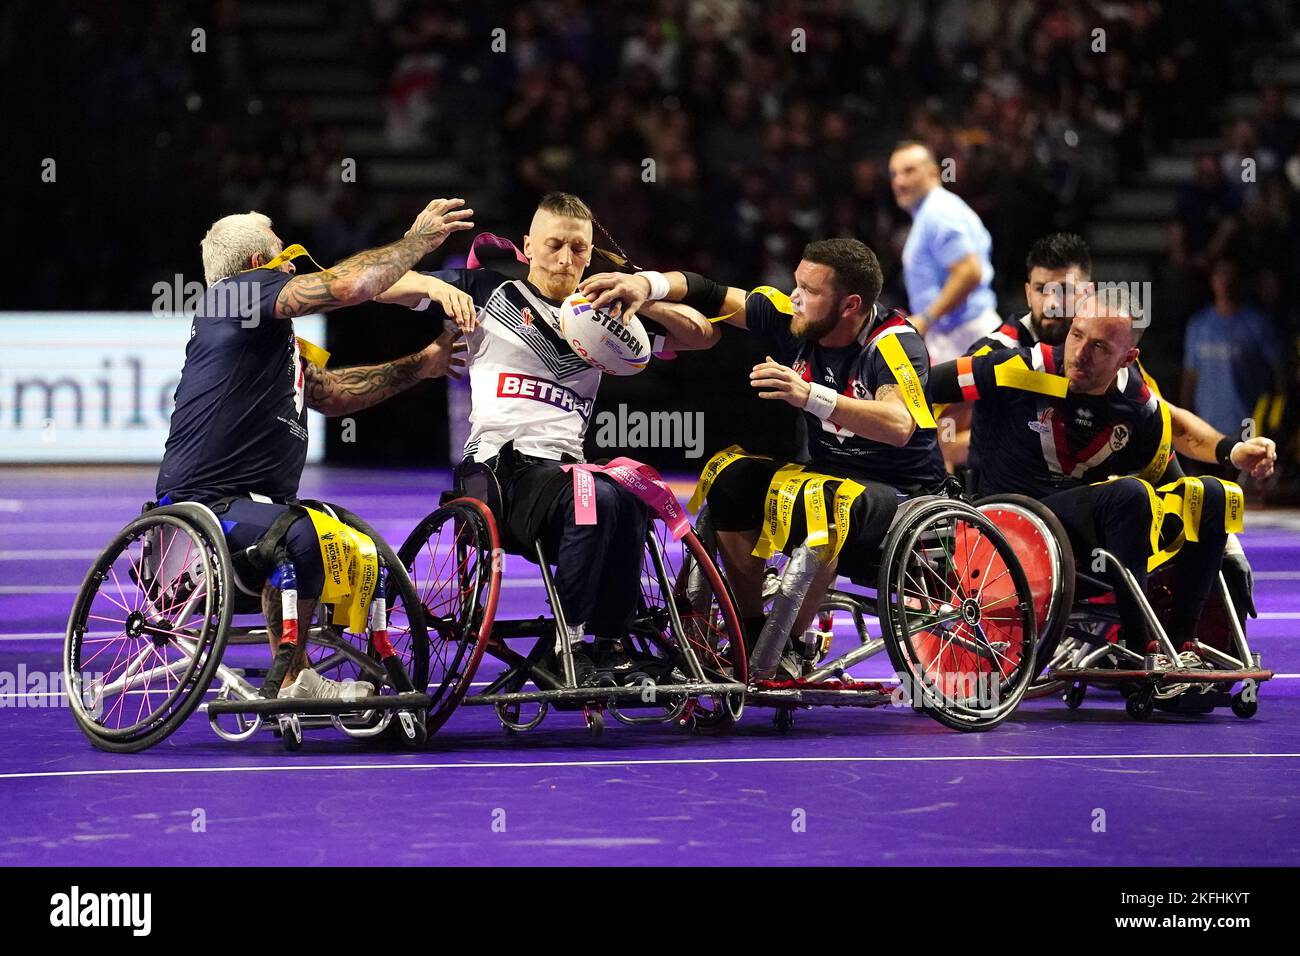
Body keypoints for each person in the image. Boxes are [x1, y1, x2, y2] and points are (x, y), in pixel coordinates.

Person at [381, 192, 715, 686]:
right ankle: (568, 646)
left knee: (630, 495)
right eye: (554, 245)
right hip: (498, 470)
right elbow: (375, 285)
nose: (565, 259)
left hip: (563, 472)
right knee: (595, 493)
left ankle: (610, 644)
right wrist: (430, 278)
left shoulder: (606, 318)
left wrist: (643, 293)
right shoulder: (490, 291)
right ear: (528, 247)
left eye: (578, 249)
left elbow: (702, 334)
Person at [579, 238, 947, 678]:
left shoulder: (893, 344)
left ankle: (788, 647)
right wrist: (643, 285)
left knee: (824, 500)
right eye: (797, 284)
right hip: (827, 476)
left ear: (850, 305)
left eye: (810, 291)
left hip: (903, 498)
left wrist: (811, 395)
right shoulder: (793, 320)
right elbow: (707, 291)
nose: (795, 297)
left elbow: (899, 424)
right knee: (732, 477)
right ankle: (751, 630)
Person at [157, 199, 475, 699]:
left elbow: (333, 393)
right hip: (205, 508)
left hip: (254, 509)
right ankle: (293, 679)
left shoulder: (263, 333)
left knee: (348, 538)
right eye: (284, 253)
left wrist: (425, 364)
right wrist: (417, 242)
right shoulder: (238, 293)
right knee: (300, 535)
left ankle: (372, 669)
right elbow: (347, 285)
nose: (293, 261)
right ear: (259, 266)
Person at [928, 290, 1275, 652]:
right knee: (1130, 494)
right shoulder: (1016, 368)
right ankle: (1137, 646)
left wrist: (1229, 546)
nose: (1079, 354)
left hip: (1081, 542)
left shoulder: (1138, 408)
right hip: (1010, 527)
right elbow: (924, 384)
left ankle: (1182, 643)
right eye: (1076, 335)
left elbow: (1179, 487)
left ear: (1128, 358)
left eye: (1099, 347)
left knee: (1213, 493)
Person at [888, 140, 1000, 363]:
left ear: (933, 172)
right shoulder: (936, 210)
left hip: (965, 333)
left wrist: (926, 318)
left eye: (909, 171)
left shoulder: (937, 213)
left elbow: (969, 271)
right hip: (958, 333)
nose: (899, 181)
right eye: (894, 174)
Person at [1181, 257, 1286, 443]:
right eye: (1220, 274)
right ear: (1212, 280)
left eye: (1230, 275)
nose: (1225, 281)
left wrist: (1276, 420)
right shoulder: (1198, 325)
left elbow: (1279, 376)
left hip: (1248, 426)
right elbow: (1190, 376)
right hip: (1207, 428)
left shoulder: (1258, 324)